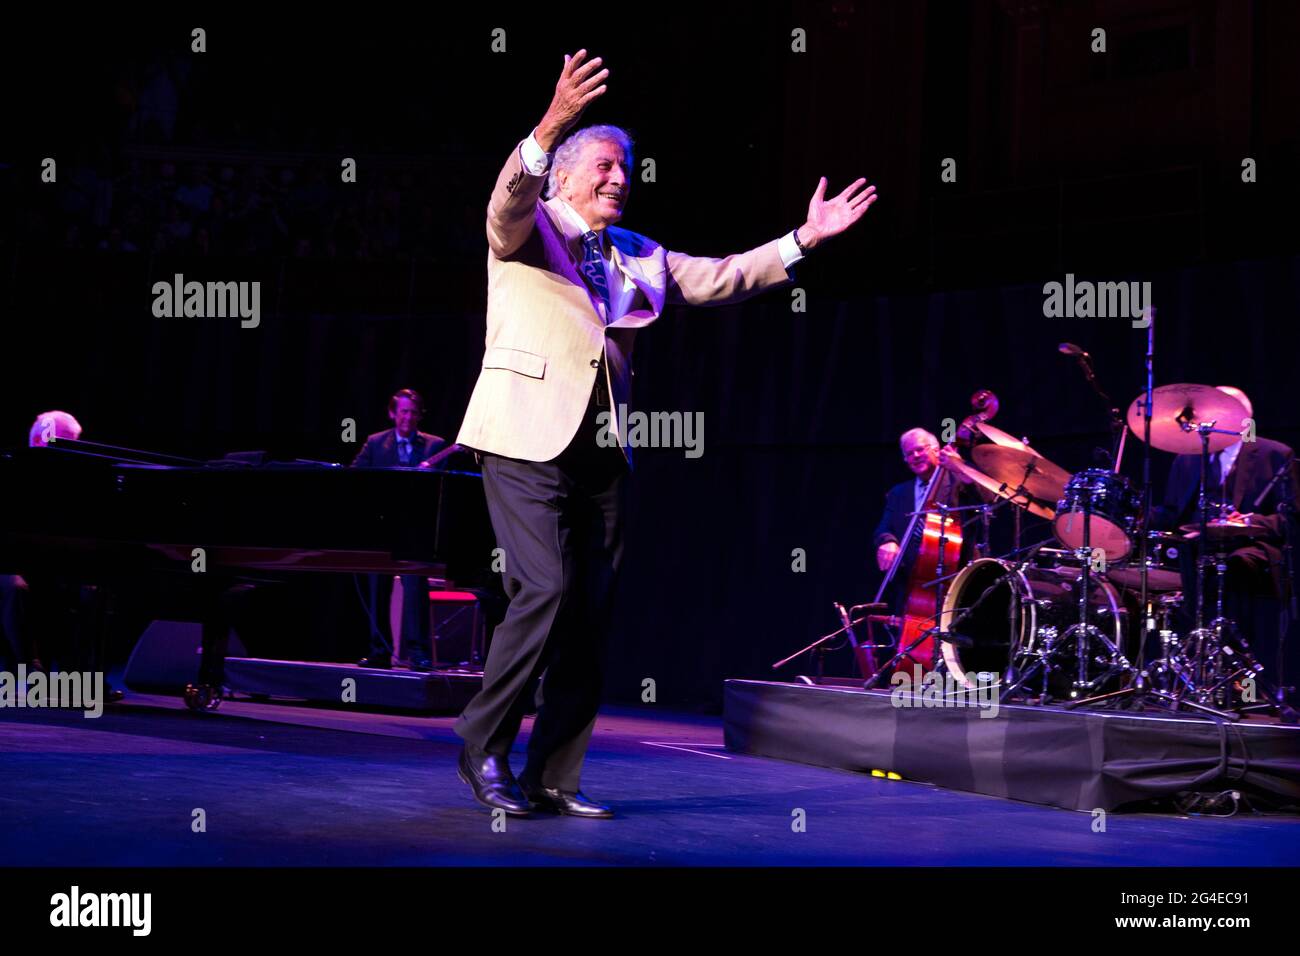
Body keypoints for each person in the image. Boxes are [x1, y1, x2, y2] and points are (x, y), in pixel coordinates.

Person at [452, 49, 877, 818]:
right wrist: (550, 124)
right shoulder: (527, 229)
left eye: (627, 169)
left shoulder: (637, 254)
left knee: (589, 612)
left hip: (604, 448)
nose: (621, 178)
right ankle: (482, 746)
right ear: (567, 174)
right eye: (607, 166)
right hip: (522, 437)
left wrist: (803, 241)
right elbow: (505, 201)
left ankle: (552, 774)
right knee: (542, 588)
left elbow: (721, 277)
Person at [1150, 386, 1298, 684]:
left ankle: (1242, 673)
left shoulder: (1275, 454)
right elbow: (1171, 513)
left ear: (1243, 419)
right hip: (1197, 548)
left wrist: (1251, 521)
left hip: (1255, 547)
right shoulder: (1187, 459)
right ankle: (1190, 670)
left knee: (1233, 567)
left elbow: (1291, 518)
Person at [351, 388, 448, 669]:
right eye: (403, 411)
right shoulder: (374, 442)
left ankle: (418, 652)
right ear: (393, 413)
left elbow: (444, 488)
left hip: (416, 531)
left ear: (420, 416)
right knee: (376, 588)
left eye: (414, 412)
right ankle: (379, 650)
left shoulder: (435, 445)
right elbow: (355, 478)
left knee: (416, 588)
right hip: (381, 529)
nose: (408, 417)